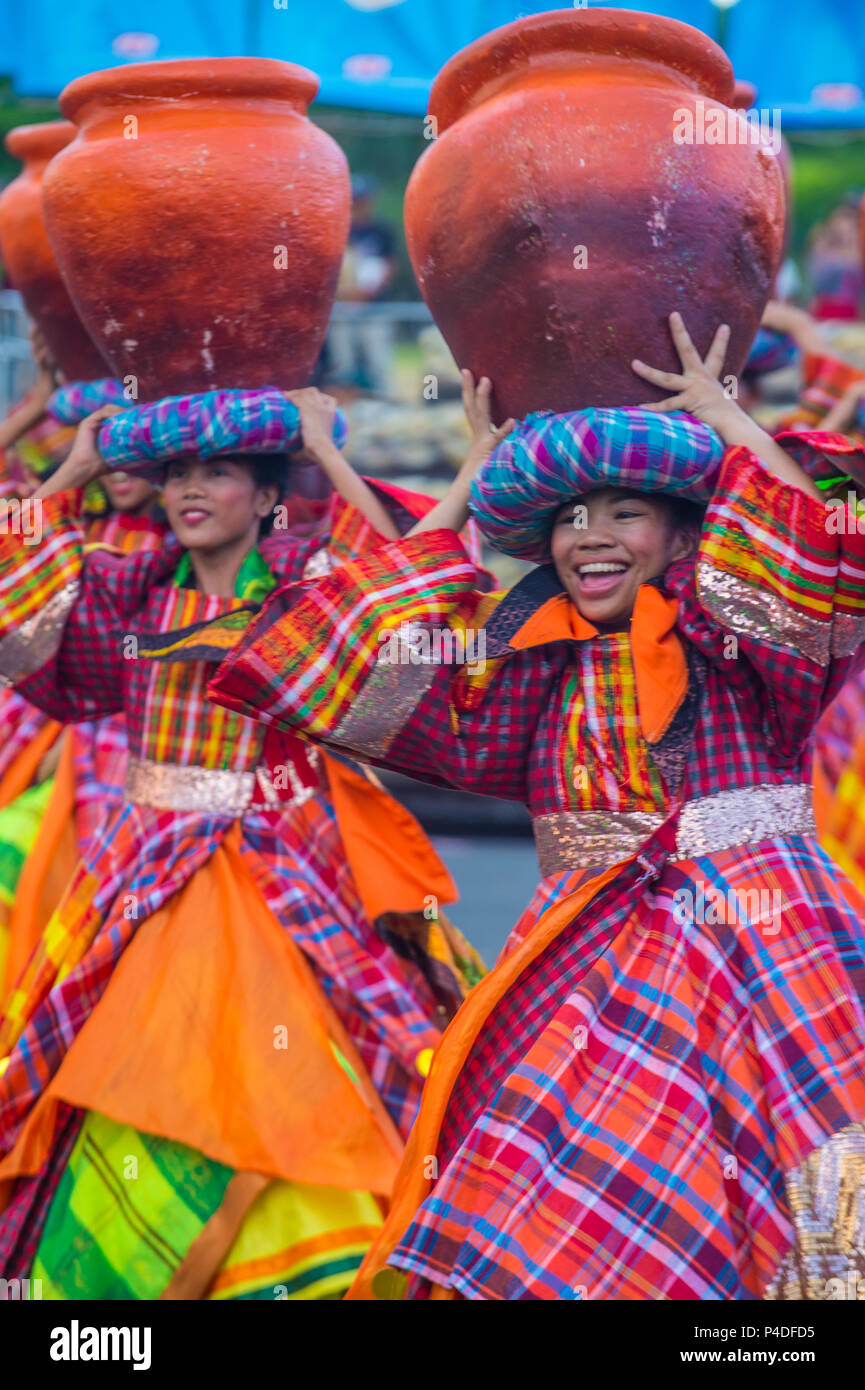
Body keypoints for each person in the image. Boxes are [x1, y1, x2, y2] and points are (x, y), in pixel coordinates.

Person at [211, 314, 865, 1300]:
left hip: (757, 956)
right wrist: (473, 472)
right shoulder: (524, 669)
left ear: (689, 532)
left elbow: (820, 552)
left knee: (798, 1236)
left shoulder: (741, 646)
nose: (590, 538)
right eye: (568, 517)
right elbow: (350, 657)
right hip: (583, 982)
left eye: (622, 513)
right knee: (556, 1235)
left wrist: (726, 417)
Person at [0, 387, 482, 1300]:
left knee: (311, 1063)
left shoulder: (307, 586)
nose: (187, 490)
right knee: (127, 1065)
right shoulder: (130, 587)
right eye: (176, 471)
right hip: (145, 868)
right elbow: (16, 611)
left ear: (268, 497)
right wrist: (70, 471)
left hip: (286, 863)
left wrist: (324, 454)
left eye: (216, 471)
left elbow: (407, 579)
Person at [327, 176, 398, 397]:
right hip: (343, 304)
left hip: (374, 304)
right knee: (342, 361)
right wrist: (345, 294)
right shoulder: (338, 229)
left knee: (377, 357)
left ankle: (382, 398)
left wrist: (367, 294)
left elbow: (389, 265)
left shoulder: (382, 230)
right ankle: (347, 399)